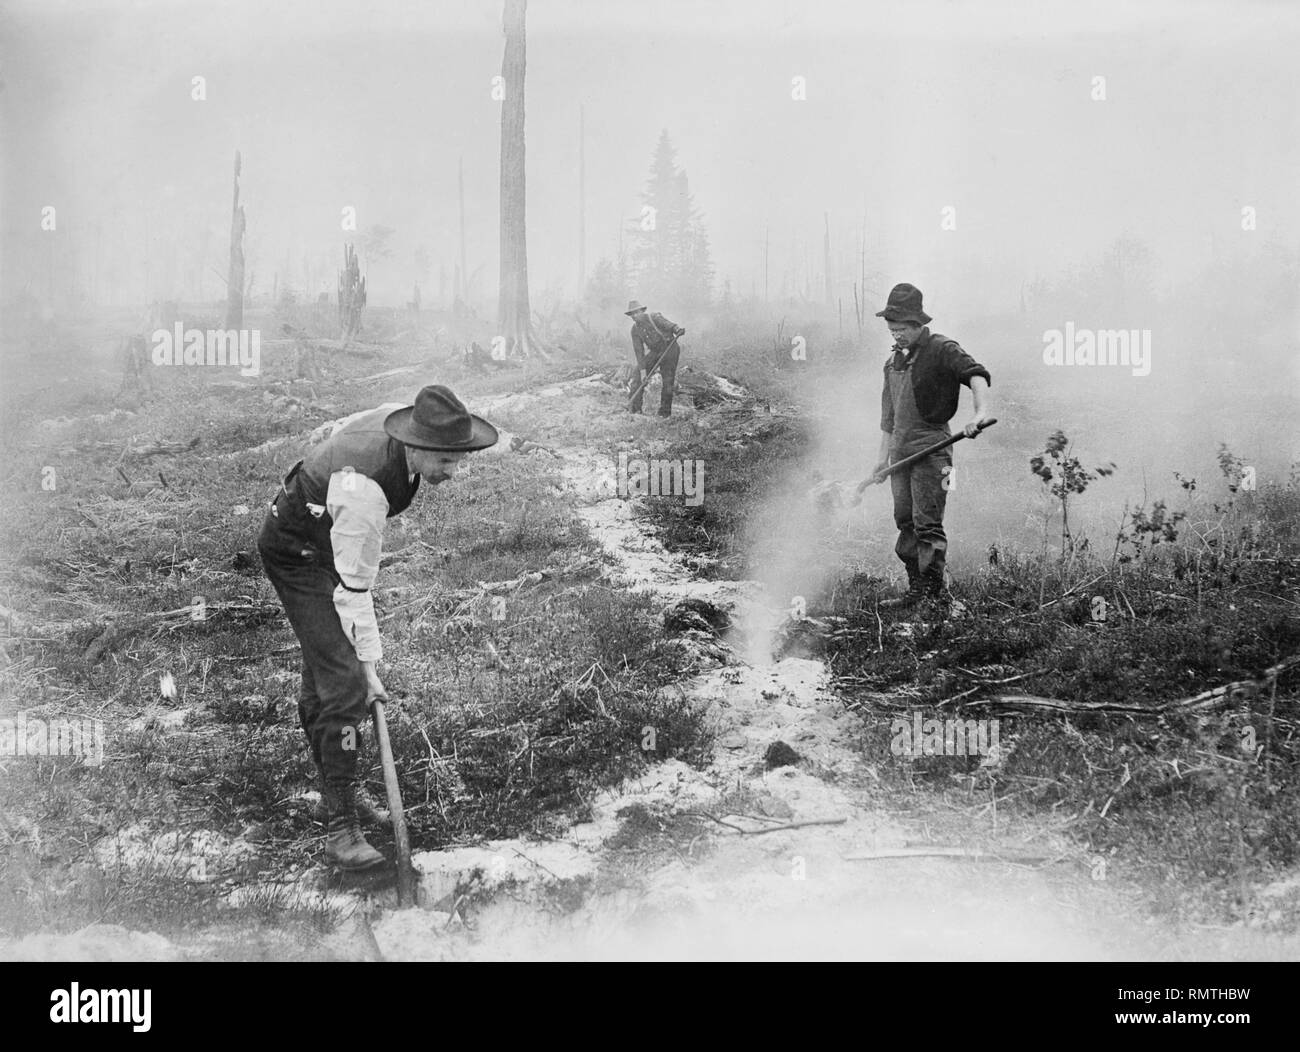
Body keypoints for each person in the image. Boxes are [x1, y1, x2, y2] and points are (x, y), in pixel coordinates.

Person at [257, 385, 498, 869]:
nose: (454, 471)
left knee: (324, 681)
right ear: (415, 444)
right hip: (296, 553)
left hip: (328, 540)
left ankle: (335, 793)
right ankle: (341, 829)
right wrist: (368, 668)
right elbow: (354, 591)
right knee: (345, 685)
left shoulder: (401, 428)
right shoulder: (365, 488)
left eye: (459, 459)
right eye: (446, 462)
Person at [872, 284, 991, 613]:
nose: (897, 336)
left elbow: (976, 375)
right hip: (900, 455)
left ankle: (936, 596)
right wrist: (881, 461)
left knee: (928, 523)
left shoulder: (941, 348)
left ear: (918, 324)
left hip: (935, 451)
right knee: (905, 521)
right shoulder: (892, 362)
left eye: (902, 330)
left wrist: (978, 415)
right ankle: (916, 590)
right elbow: (889, 419)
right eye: (892, 330)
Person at [625, 299, 685, 416]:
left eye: (637, 312)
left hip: (670, 348)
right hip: (655, 351)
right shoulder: (635, 330)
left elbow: (669, 325)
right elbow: (639, 352)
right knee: (637, 374)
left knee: (668, 381)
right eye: (633, 314)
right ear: (631, 316)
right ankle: (635, 410)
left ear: (642, 311)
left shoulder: (654, 317)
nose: (635, 315)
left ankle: (664, 414)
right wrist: (643, 371)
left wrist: (677, 329)